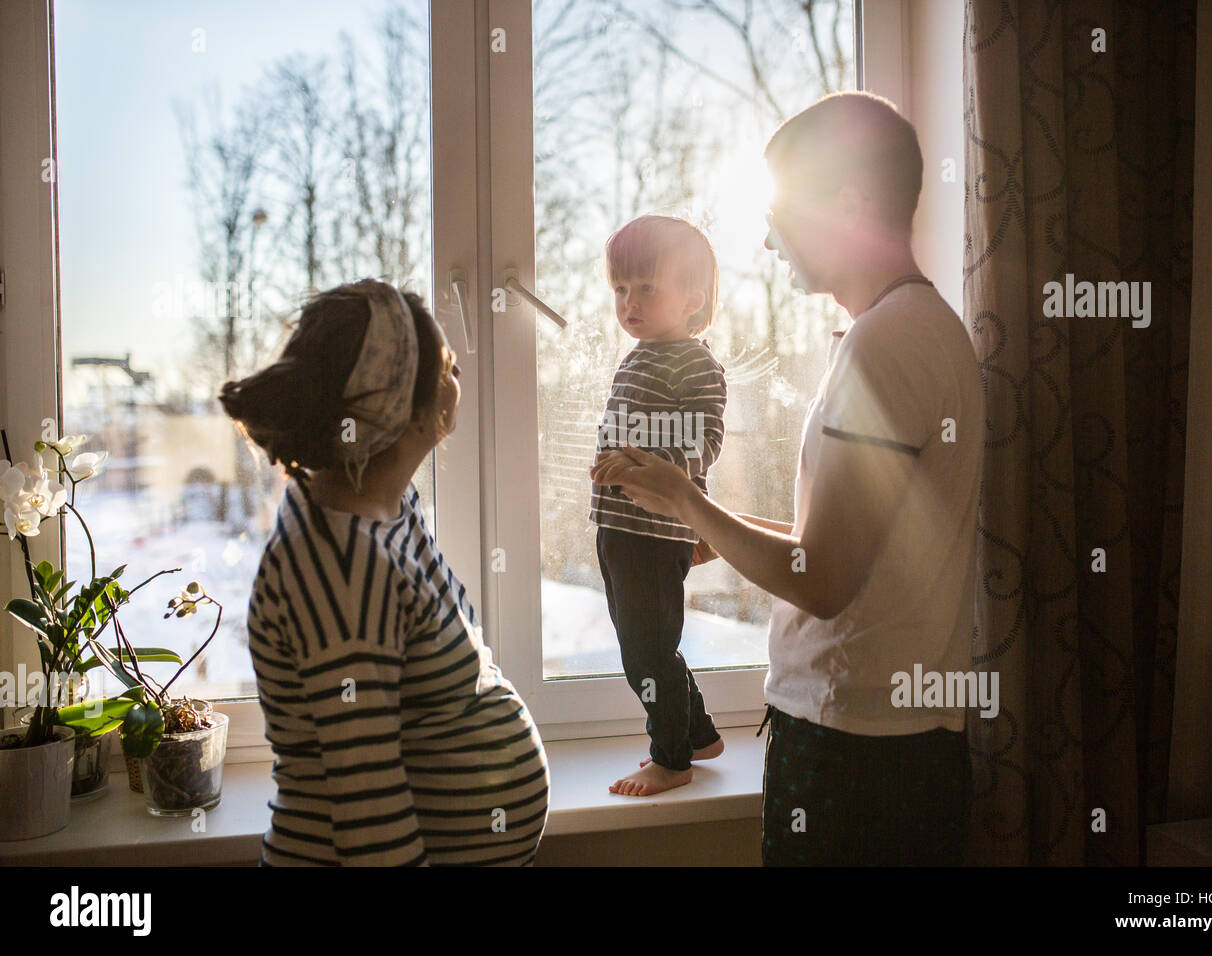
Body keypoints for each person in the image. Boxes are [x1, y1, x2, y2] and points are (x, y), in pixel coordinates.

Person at [592, 92, 984, 864]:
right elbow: (847, 547)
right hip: (890, 739)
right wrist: (722, 528)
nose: (769, 240)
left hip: (854, 750)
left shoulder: (885, 346)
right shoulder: (915, 328)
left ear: (848, 205)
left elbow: (823, 580)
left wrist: (683, 498)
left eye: (780, 213)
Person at [220, 279, 549, 865]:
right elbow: (370, 819)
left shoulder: (385, 508)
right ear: (401, 408)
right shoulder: (342, 564)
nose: (458, 375)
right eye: (445, 366)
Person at [590, 215, 728, 797]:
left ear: (692, 298)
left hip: (652, 532)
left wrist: (654, 475)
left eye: (646, 287)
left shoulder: (695, 363)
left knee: (646, 650)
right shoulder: (636, 357)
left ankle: (671, 759)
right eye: (621, 288)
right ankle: (698, 734)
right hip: (620, 528)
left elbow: (704, 442)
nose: (630, 302)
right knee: (641, 642)